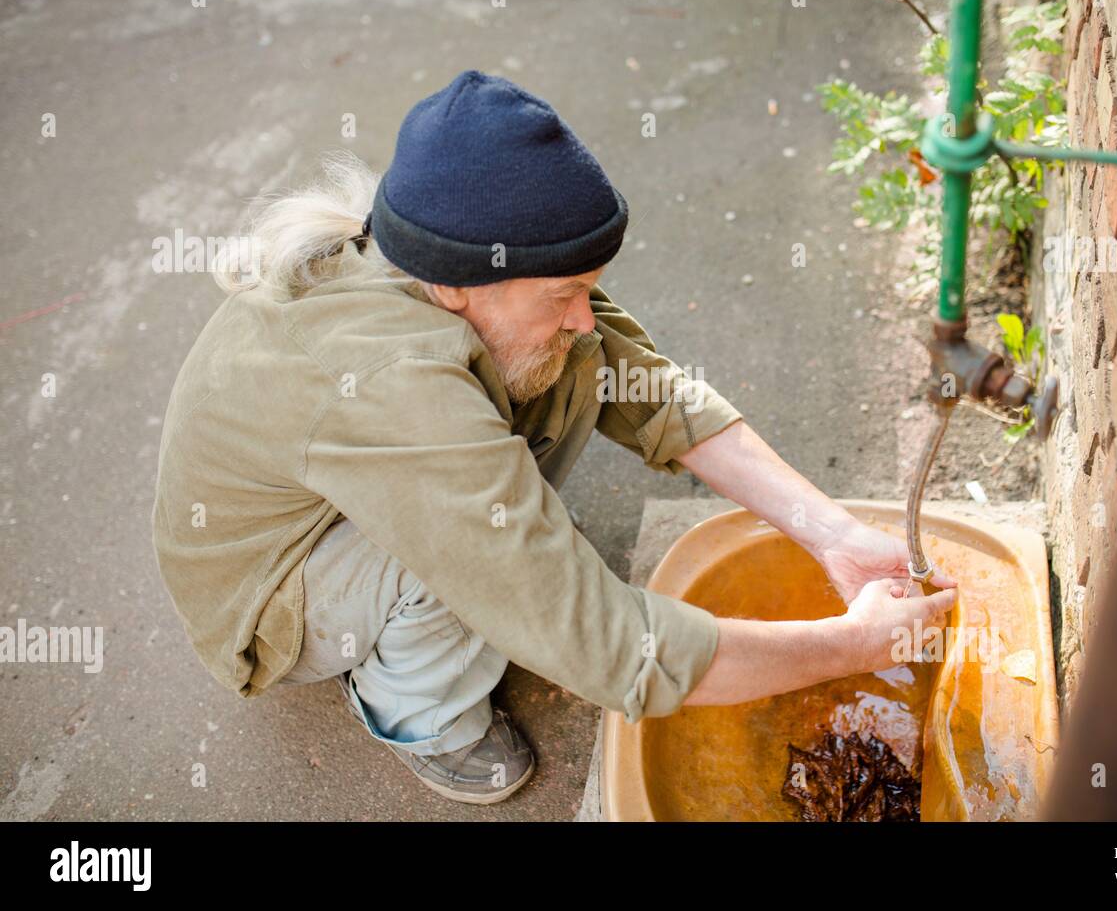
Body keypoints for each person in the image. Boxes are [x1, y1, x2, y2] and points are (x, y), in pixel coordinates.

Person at [151, 69, 956, 805]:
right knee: (483, 563)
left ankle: (491, 566)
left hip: (344, 484)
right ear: (454, 287)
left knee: (566, 368)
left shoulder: (448, 256)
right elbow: (614, 653)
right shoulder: (395, 388)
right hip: (266, 599)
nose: (586, 313)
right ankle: (417, 711)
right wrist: (850, 645)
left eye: (590, 287)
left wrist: (834, 534)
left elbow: (649, 392)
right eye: (565, 292)